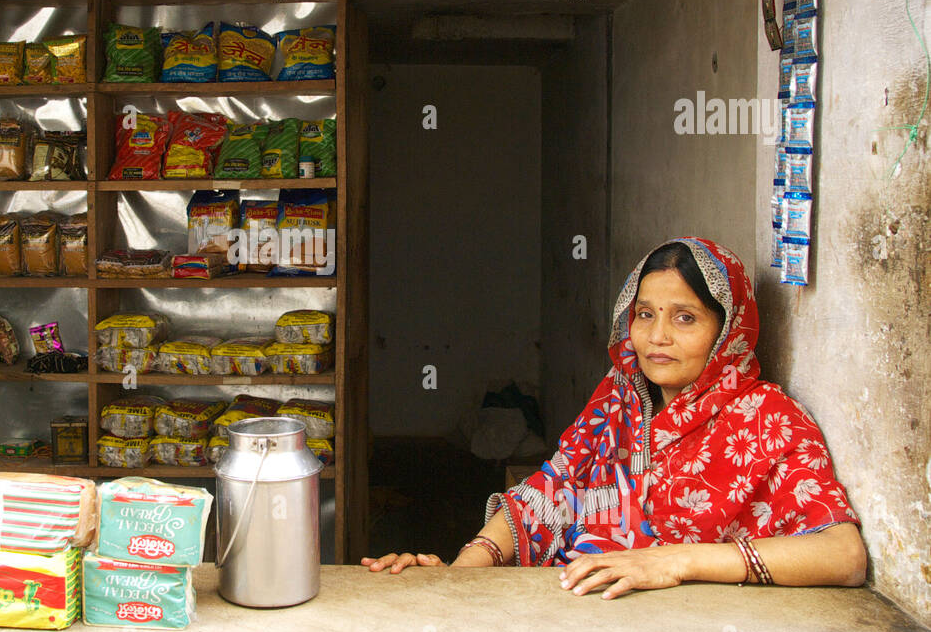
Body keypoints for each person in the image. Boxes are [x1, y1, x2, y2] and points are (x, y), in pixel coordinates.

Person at [362, 238, 867, 598]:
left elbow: (843, 556)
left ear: (729, 329)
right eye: (645, 314)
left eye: (685, 317)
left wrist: (674, 563)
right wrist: (454, 576)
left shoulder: (767, 418)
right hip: (579, 617)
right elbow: (545, 498)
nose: (656, 337)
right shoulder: (618, 402)